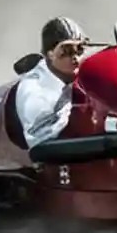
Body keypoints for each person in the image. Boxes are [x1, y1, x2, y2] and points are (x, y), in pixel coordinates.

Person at [14, 16, 88, 149]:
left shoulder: (75, 67)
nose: (75, 57)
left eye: (80, 49)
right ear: (50, 54)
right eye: (66, 51)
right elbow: (41, 143)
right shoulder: (34, 91)